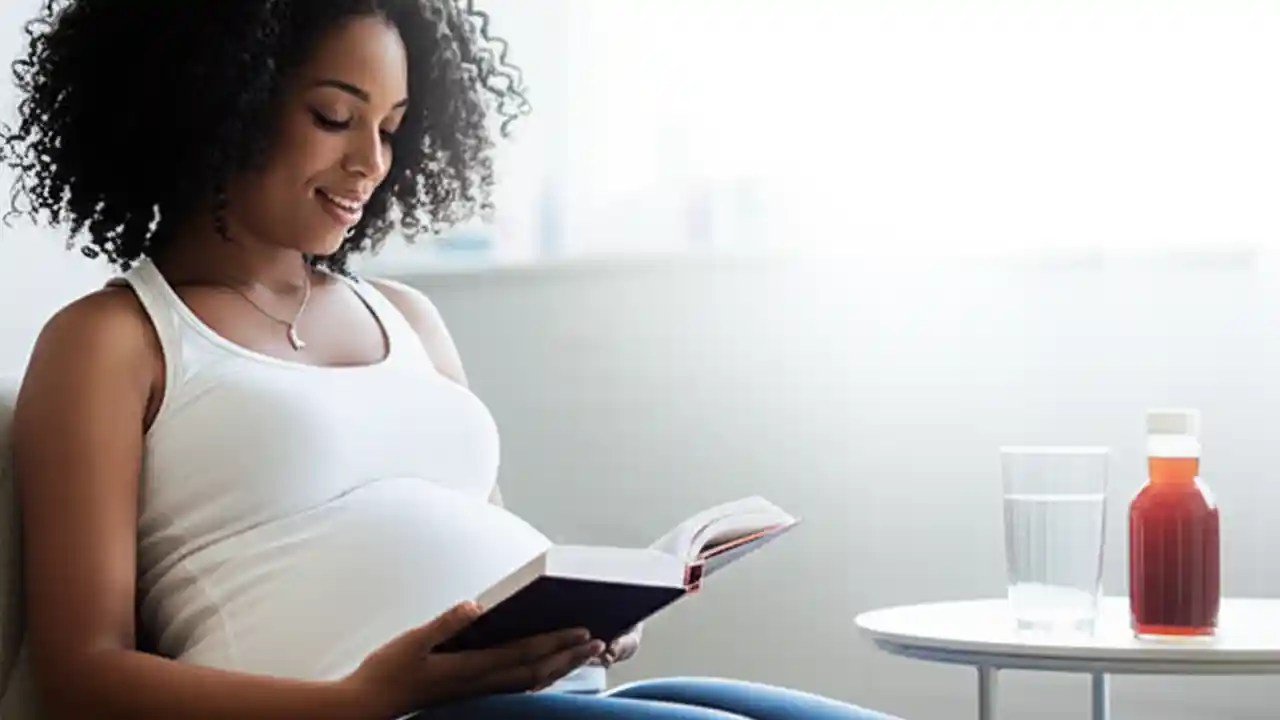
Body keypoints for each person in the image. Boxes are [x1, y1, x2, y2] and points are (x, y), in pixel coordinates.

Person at [0, 2, 898, 719]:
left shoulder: (408, 315)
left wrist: (587, 618)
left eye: (391, 129)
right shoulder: (113, 340)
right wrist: (358, 701)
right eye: (333, 117)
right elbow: (84, 677)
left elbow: (485, 549)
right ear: (215, 102)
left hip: (557, 697)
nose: (370, 164)